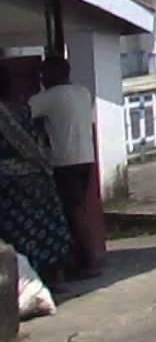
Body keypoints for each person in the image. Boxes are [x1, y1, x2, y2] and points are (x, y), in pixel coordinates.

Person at [29, 56, 102, 279]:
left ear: (53, 74)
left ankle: (88, 261)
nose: (41, 78)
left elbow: (23, 112)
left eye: (44, 74)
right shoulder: (82, 92)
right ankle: (84, 259)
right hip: (86, 157)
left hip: (64, 161)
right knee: (78, 209)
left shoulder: (49, 97)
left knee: (73, 212)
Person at [0, 67, 73, 284]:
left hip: (11, 184)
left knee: (19, 235)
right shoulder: (21, 108)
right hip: (40, 177)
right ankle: (55, 277)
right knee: (50, 229)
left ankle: (27, 280)